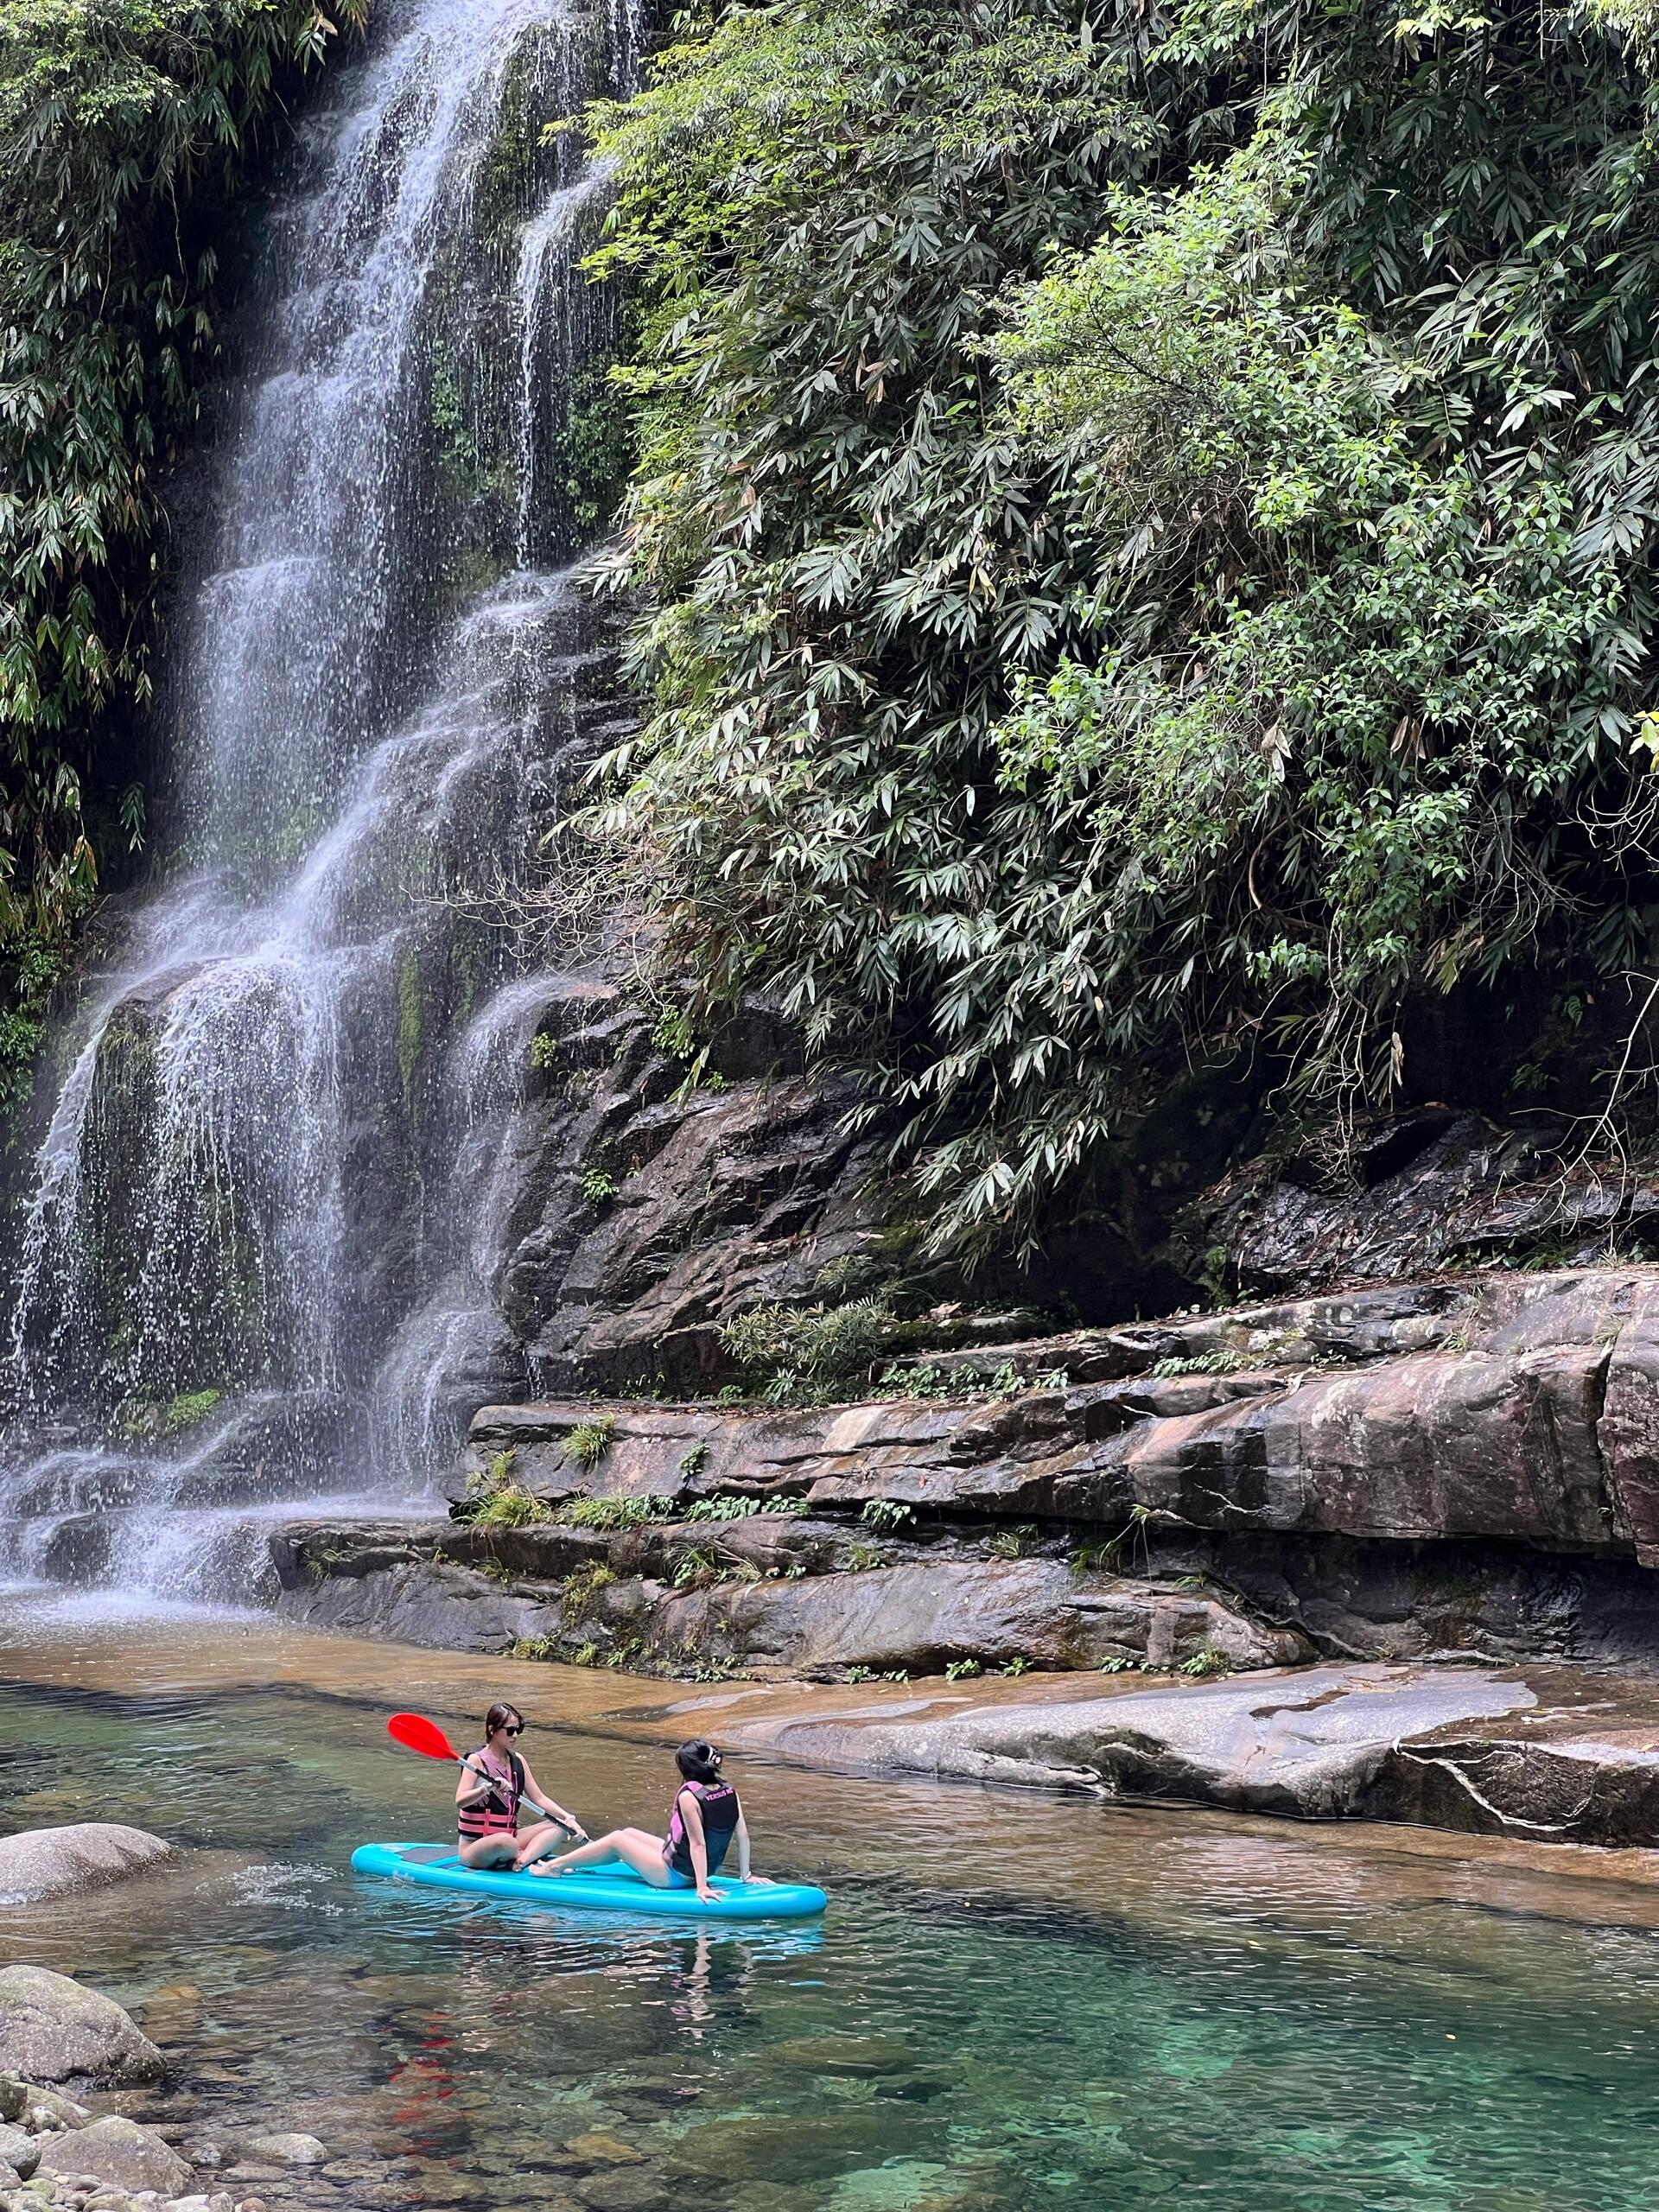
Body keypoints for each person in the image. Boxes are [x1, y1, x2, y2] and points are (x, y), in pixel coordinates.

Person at [526, 1740, 760, 1902]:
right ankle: (578, 1863)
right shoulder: (728, 1790)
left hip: (676, 1877)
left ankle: (553, 1867)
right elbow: (743, 1836)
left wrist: (701, 1887)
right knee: (627, 1833)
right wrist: (745, 1875)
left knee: (617, 1840)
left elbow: (698, 1845)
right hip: (696, 1867)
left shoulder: (690, 1797)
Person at [454, 1700, 587, 1871]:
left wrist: (569, 1819)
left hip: (510, 1838)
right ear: (492, 1730)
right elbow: (460, 1800)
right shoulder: (476, 1761)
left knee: (560, 1826)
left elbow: (539, 1798)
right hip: (476, 1847)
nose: (515, 1735)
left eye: (518, 1729)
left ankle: (521, 1860)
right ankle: (523, 1855)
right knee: (505, 1841)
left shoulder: (518, 1761)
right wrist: (487, 1788)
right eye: (510, 1730)